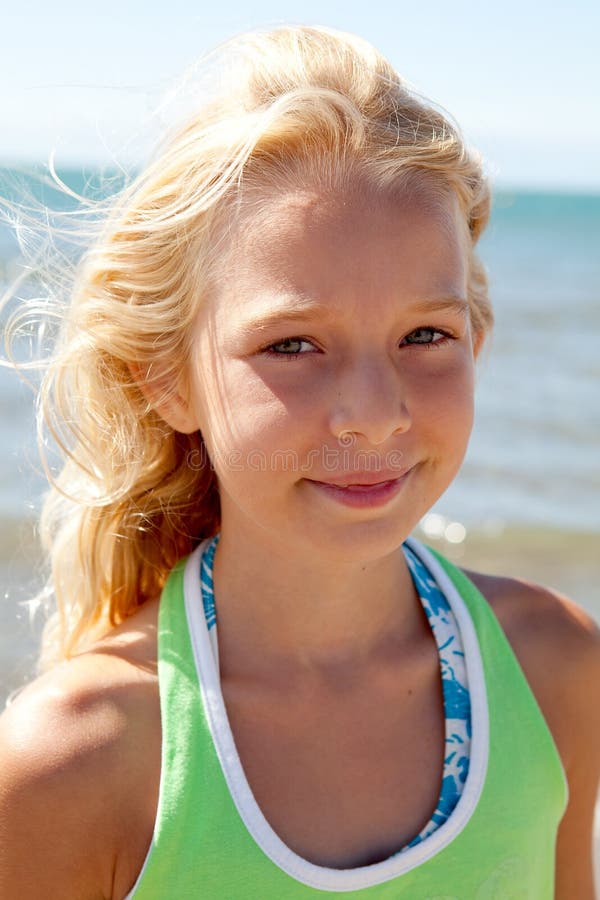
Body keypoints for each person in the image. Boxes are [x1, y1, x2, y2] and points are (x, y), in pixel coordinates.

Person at [0, 25, 598, 900]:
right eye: (292, 345)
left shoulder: (552, 669)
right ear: (164, 379)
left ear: (476, 339)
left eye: (424, 334)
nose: (375, 414)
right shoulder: (80, 760)